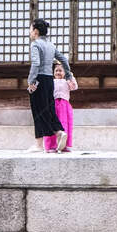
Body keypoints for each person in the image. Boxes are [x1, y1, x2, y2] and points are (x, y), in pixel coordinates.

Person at [27, 17, 70, 151]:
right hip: (49, 80)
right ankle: (59, 132)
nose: (29, 31)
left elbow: (35, 63)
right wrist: (68, 74)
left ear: (35, 31)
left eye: (30, 28)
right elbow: (63, 59)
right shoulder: (51, 45)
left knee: (38, 111)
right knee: (48, 110)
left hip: (39, 79)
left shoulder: (35, 44)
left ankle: (39, 145)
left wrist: (31, 81)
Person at [44, 59, 78, 153]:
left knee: (64, 124)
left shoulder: (66, 82)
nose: (58, 72)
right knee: (51, 125)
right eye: (56, 71)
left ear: (64, 72)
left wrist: (70, 75)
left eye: (60, 70)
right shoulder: (51, 81)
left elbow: (74, 87)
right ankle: (51, 146)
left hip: (64, 106)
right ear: (53, 72)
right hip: (53, 105)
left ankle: (64, 145)